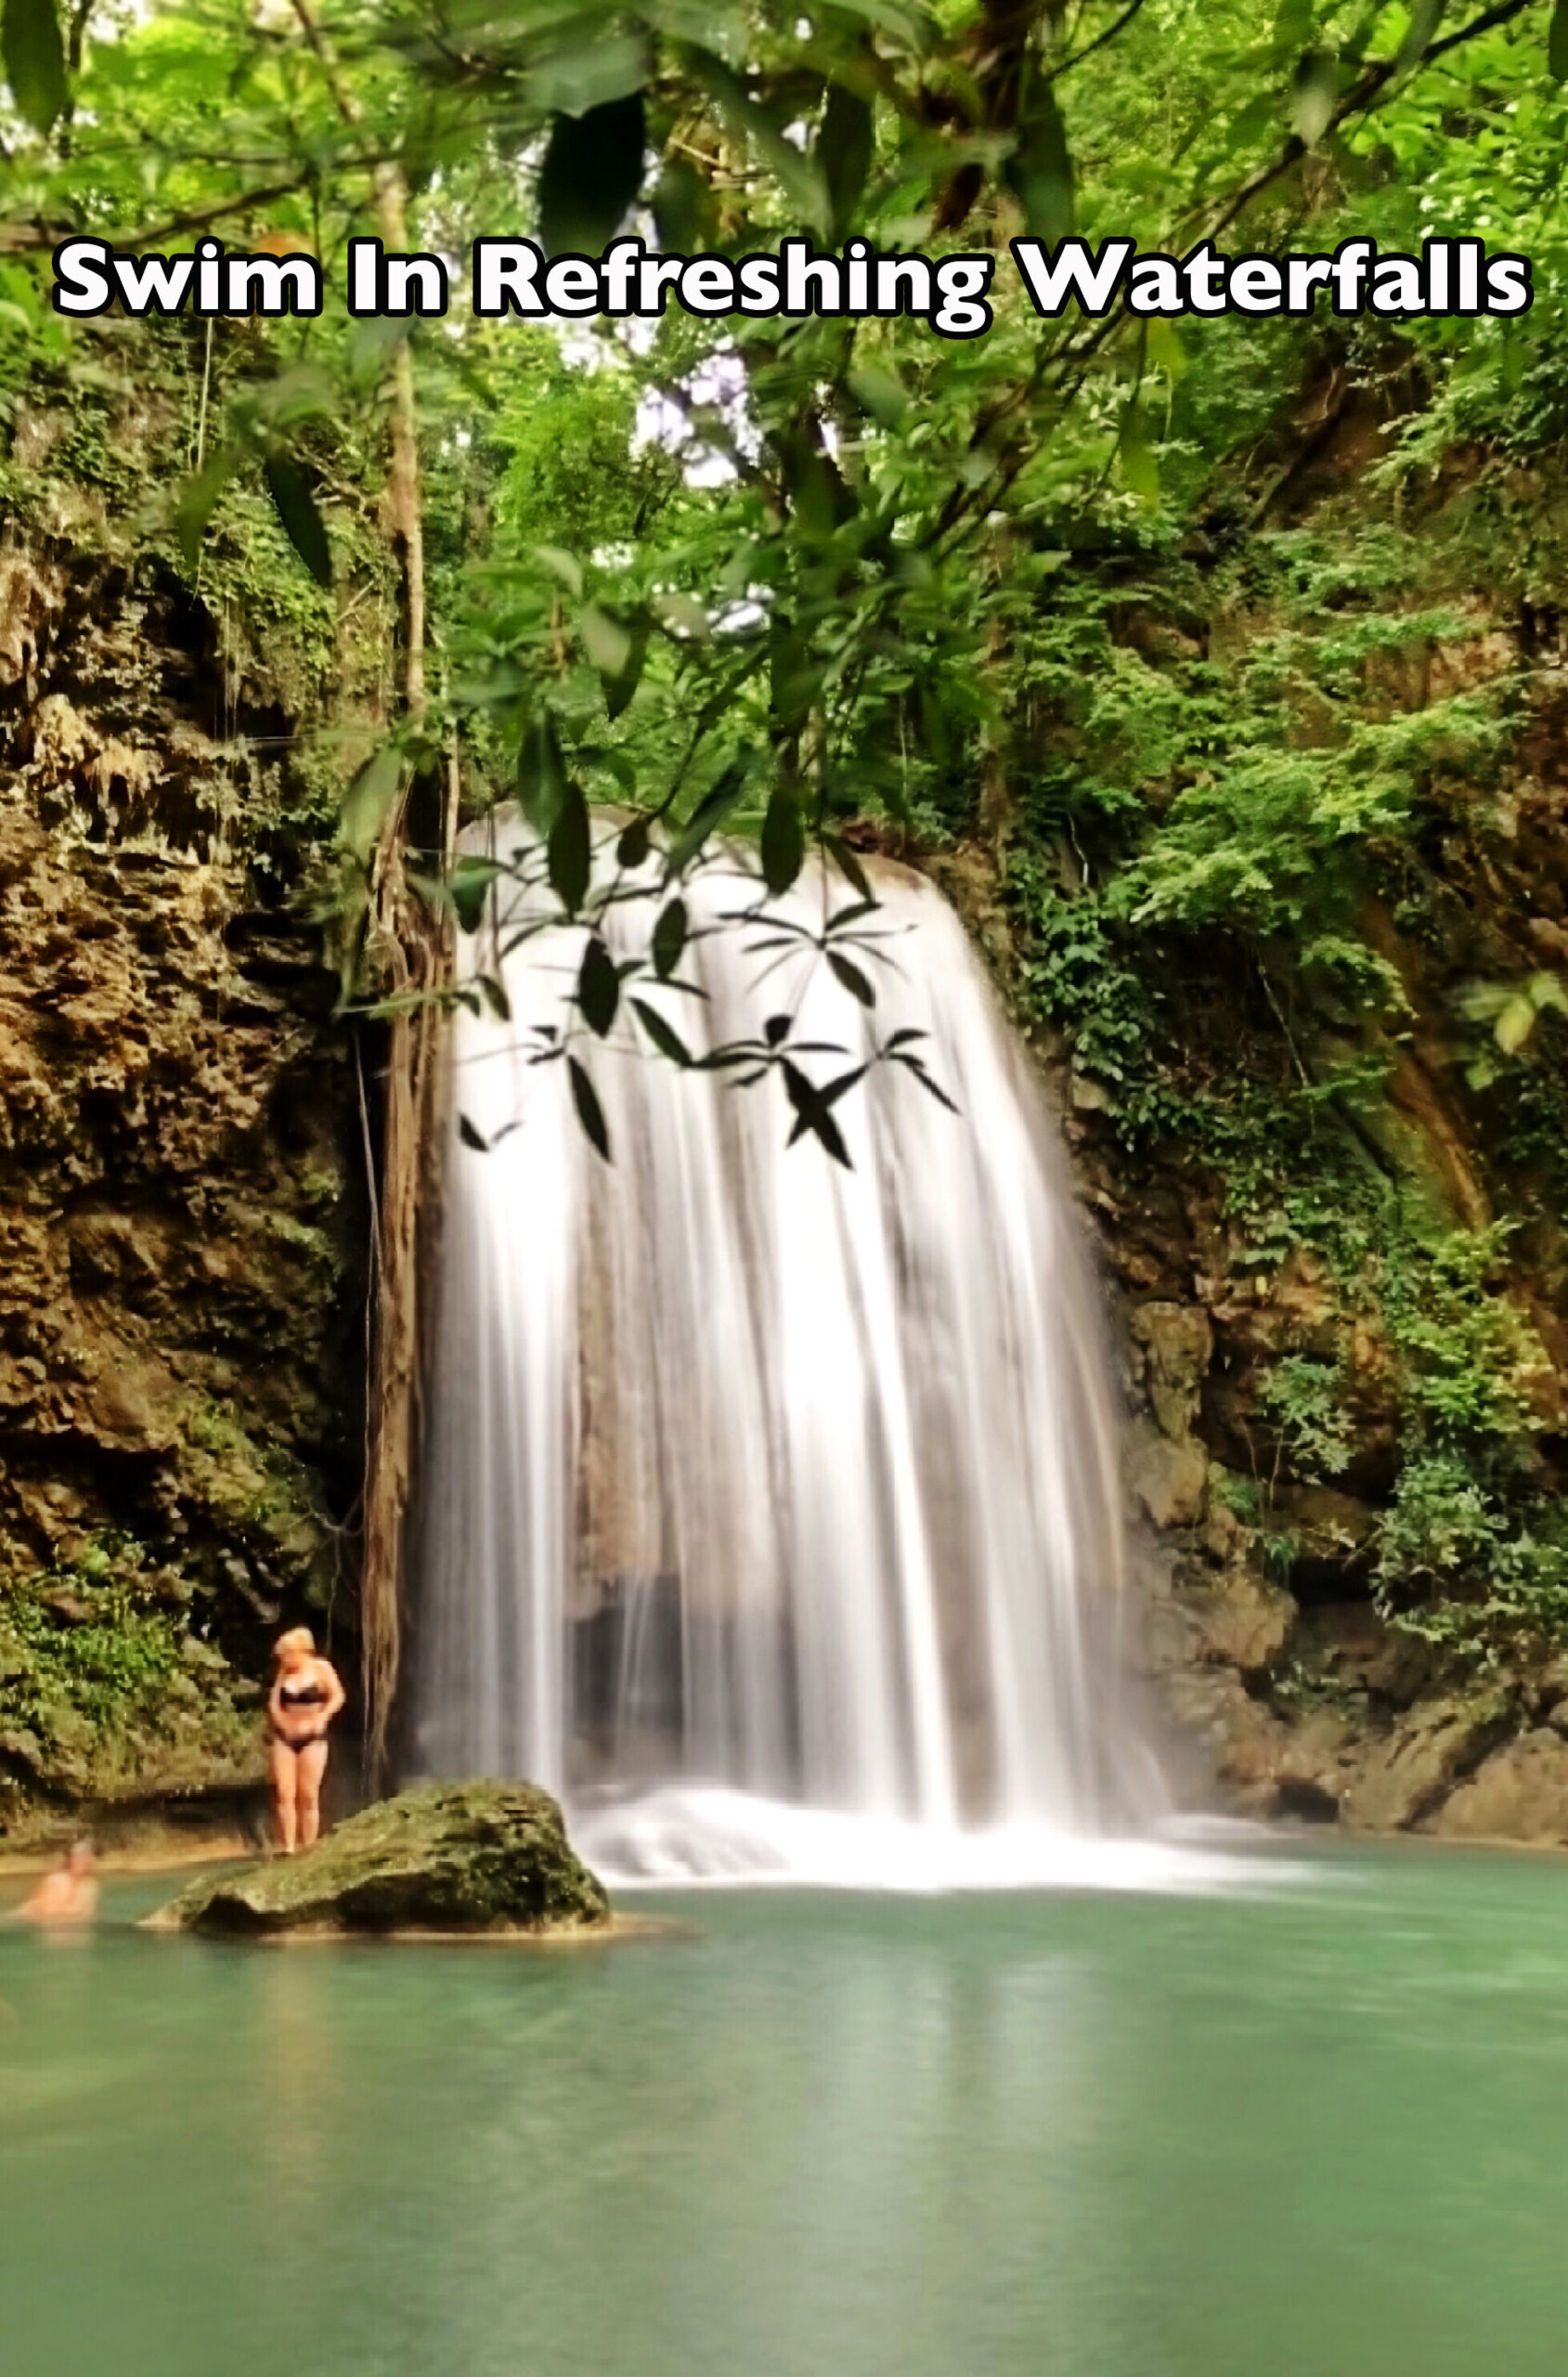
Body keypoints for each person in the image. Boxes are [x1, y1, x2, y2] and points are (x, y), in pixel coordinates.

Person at [266, 1627, 346, 1855]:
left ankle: (309, 1846)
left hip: (312, 1737)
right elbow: (274, 1703)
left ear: (301, 1651)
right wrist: (281, 1721)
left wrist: (323, 1716)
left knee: (309, 1794)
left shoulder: (321, 1668)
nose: (284, 1659)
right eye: (282, 1656)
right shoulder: (284, 1672)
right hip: (285, 1738)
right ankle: (288, 1847)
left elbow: (338, 1696)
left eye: (287, 1654)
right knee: (284, 1793)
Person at [13, 1838, 98, 1926]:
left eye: (86, 1857)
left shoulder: (90, 1886)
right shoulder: (56, 1881)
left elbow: (87, 1915)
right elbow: (46, 1912)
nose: (82, 1861)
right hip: (25, 1918)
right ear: (70, 1859)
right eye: (78, 1857)